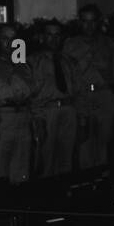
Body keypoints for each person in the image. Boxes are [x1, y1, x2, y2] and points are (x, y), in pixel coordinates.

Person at [63, 4, 114, 169]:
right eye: (84, 21)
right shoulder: (70, 45)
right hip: (82, 97)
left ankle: (102, 183)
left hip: (104, 96)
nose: (88, 25)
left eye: (92, 21)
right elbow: (66, 76)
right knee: (84, 145)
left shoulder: (109, 45)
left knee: (104, 145)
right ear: (79, 23)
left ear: (98, 22)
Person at [30, 20, 79, 177]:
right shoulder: (34, 61)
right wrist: (38, 118)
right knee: (47, 160)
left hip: (68, 110)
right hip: (47, 111)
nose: (53, 39)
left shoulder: (68, 61)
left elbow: (78, 89)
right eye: (49, 35)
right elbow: (32, 93)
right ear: (43, 37)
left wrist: (82, 115)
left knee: (66, 161)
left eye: (57, 35)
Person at [0, 23, 33, 185]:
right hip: (3, 118)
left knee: (21, 173)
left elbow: (32, 95)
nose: (9, 43)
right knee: (0, 172)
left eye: (13, 39)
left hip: (23, 118)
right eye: (5, 38)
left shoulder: (24, 65)